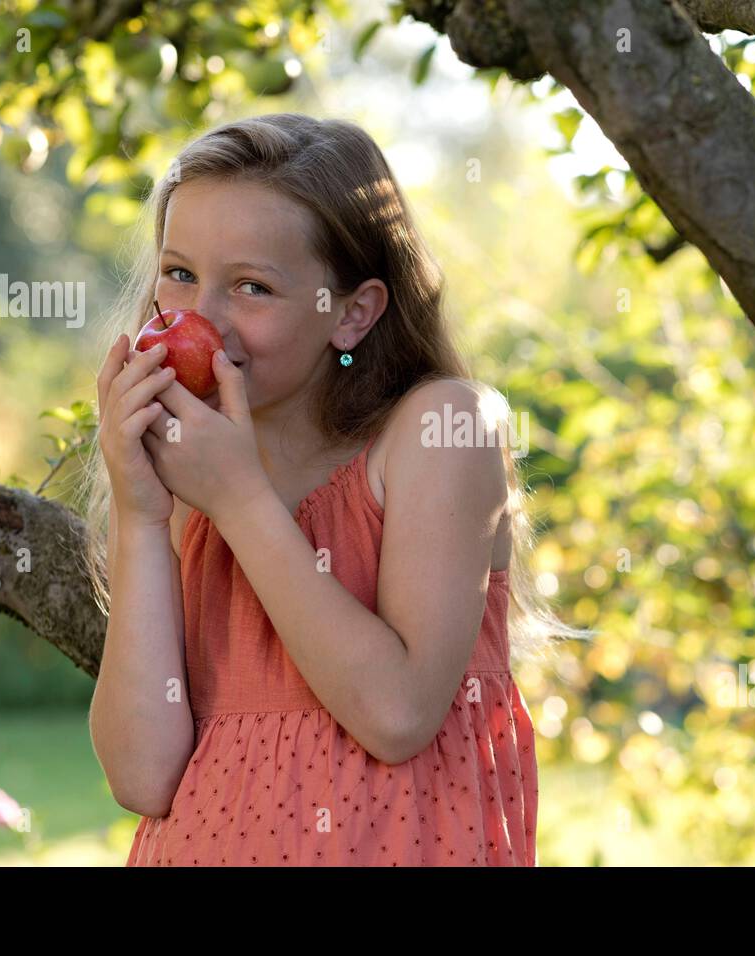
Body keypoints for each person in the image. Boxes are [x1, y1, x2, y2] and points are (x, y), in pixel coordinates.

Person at [80, 113, 594, 866]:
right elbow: (142, 774)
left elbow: (396, 713)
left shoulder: (440, 429)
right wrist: (140, 513)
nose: (199, 317)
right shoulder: (182, 477)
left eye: (252, 286)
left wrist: (239, 501)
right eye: (180, 272)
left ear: (352, 314)